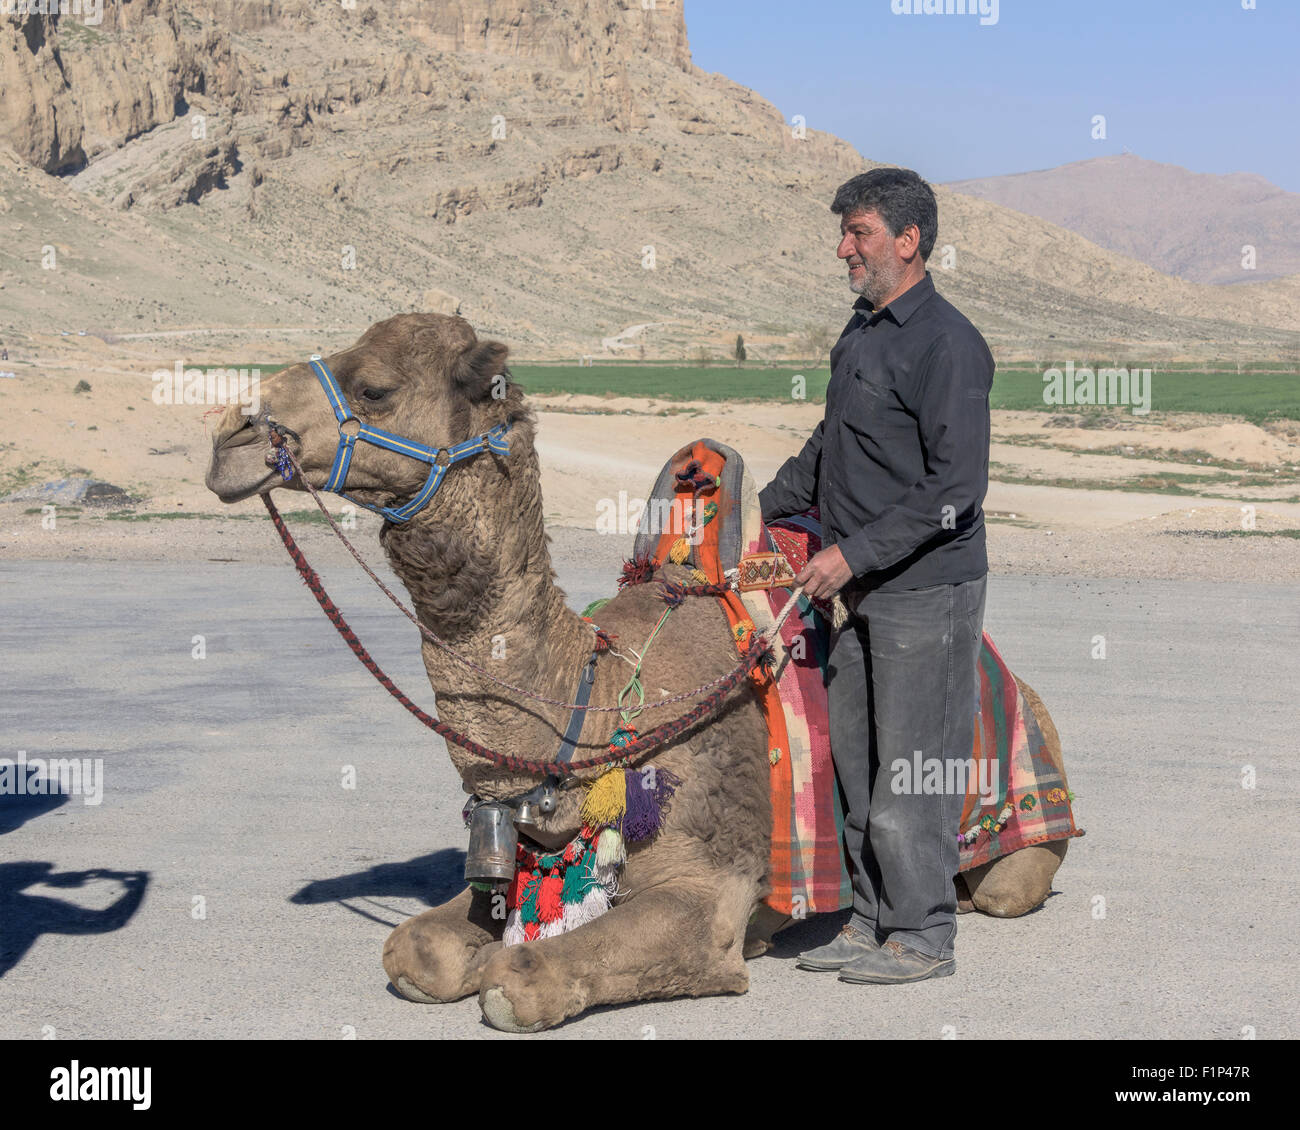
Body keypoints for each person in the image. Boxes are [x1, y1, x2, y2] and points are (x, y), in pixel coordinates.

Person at [758, 167, 993, 984]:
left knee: (911, 767)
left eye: (857, 233)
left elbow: (956, 491)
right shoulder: (862, 333)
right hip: (851, 588)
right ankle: (868, 919)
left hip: (923, 589)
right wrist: (752, 513)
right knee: (855, 762)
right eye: (844, 233)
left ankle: (924, 932)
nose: (842, 249)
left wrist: (851, 554)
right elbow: (830, 451)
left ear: (907, 241)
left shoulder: (948, 345)